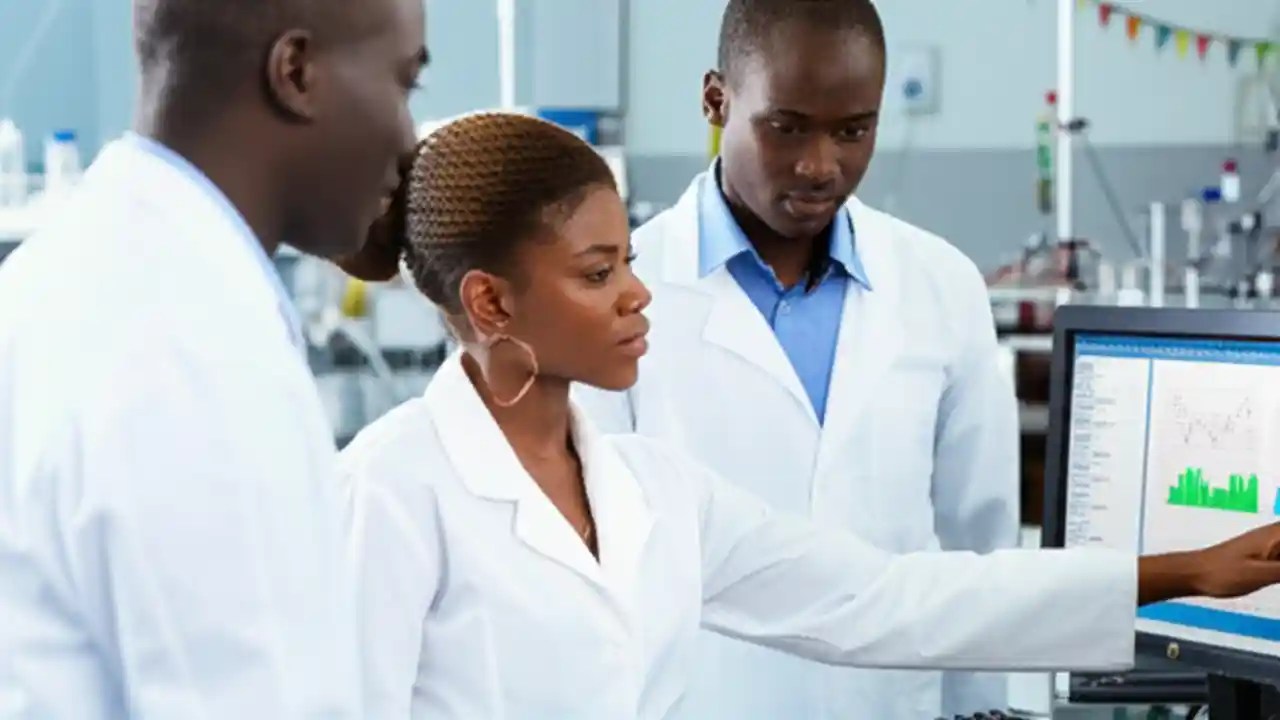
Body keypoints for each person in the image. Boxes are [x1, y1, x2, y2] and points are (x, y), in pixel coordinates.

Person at [337, 110, 1280, 720]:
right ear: (493, 304)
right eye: (598, 274)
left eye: (626, 259)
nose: (639, 295)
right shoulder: (389, 489)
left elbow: (884, 601)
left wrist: (1180, 571)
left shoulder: (651, 490)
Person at [570, 0, 1015, 716]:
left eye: (853, 130)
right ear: (717, 100)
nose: (820, 165)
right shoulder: (622, 291)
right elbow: (589, 566)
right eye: (786, 127)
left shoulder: (941, 285)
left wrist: (980, 710)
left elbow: (980, 550)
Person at [0, 0, 426, 716]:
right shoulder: (193, 349)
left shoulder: (60, 275)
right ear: (296, 72)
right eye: (403, 84)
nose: (410, 140)